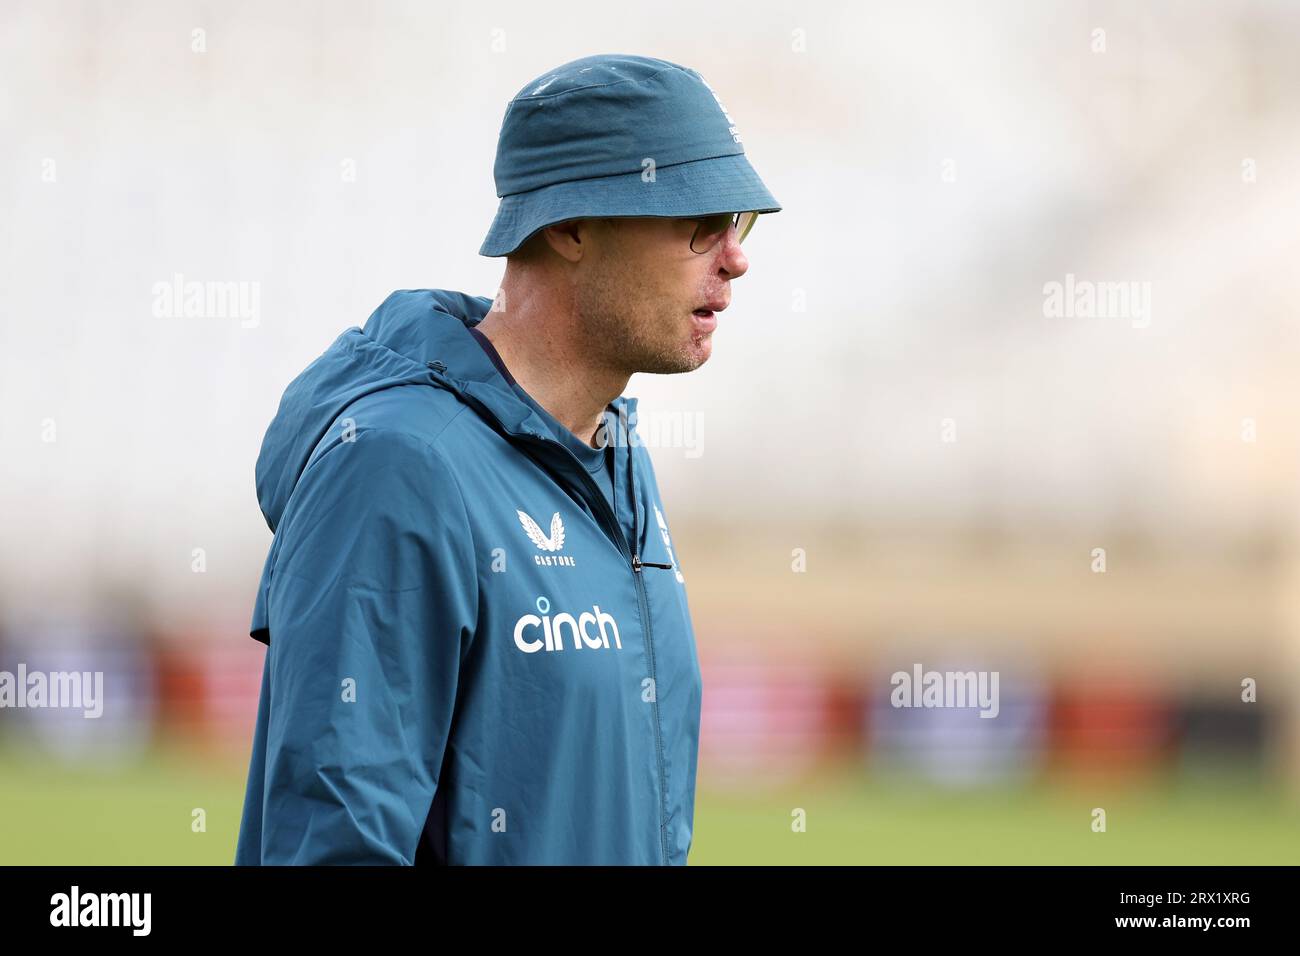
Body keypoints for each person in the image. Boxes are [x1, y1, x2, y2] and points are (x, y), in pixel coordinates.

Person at [234, 52, 782, 865]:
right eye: (698, 220)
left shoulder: (616, 458)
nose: (734, 258)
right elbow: (331, 846)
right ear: (570, 226)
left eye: (739, 223)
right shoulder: (396, 466)